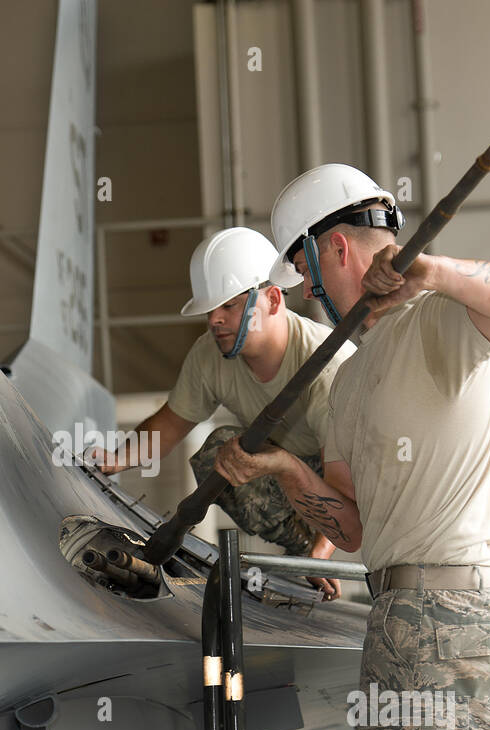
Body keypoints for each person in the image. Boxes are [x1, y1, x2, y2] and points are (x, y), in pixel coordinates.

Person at [215, 163, 490, 730]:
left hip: (439, 618)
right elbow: (355, 526)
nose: (306, 288)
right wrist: (279, 466)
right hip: (445, 612)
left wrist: (427, 271)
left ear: (337, 249)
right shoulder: (350, 380)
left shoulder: (438, 321)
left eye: (304, 266)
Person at [92, 226, 355, 598]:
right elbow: (171, 422)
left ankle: (311, 550)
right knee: (219, 450)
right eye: (210, 310)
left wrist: (320, 555)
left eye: (229, 306)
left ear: (274, 300)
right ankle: (301, 545)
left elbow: (348, 481)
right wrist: (117, 460)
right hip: (287, 469)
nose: (214, 320)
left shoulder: (327, 368)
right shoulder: (209, 356)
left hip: (351, 483)